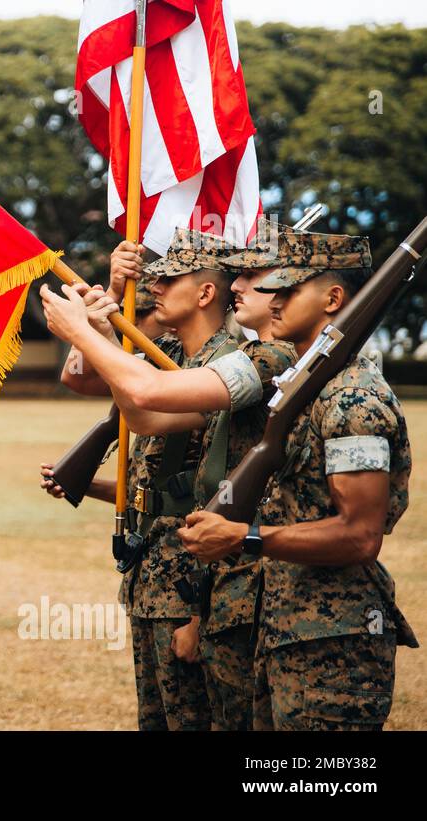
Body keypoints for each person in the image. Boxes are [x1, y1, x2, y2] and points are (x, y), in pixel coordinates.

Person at [178, 228, 418, 730]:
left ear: (334, 298)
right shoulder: (309, 391)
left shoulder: (353, 399)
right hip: (284, 630)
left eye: (289, 291)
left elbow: (359, 535)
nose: (273, 301)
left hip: (334, 643)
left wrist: (242, 536)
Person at [42, 236, 222, 731]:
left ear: (206, 292)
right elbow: (83, 378)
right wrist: (108, 306)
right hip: (150, 567)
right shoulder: (163, 348)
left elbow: (140, 407)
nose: (156, 286)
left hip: (191, 576)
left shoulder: (226, 362)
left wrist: (87, 332)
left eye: (170, 278)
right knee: (156, 719)